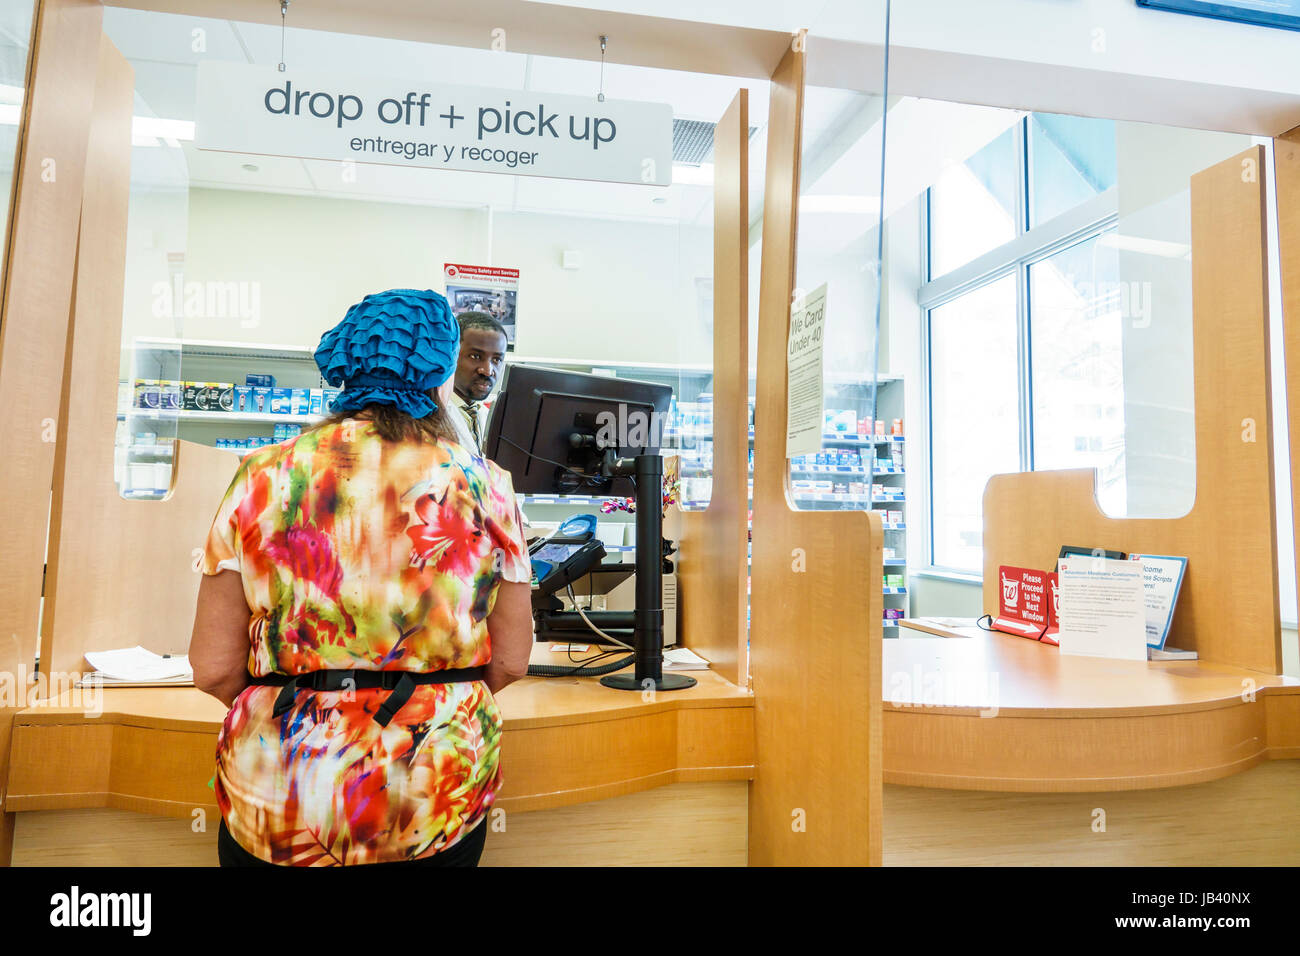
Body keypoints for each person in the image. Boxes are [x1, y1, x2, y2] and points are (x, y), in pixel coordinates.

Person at [188, 288, 535, 867]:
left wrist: (302, 703)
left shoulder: (262, 477)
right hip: (434, 797)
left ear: (345, 369)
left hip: (278, 796)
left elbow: (213, 666)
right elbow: (511, 660)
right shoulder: (487, 485)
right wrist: (432, 695)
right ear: (440, 377)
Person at [450, 310, 508, 454]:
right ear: (451, 355)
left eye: (496, 360)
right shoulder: (428, 419)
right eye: (475, 356)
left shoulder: (488, 417)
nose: (488, 371)